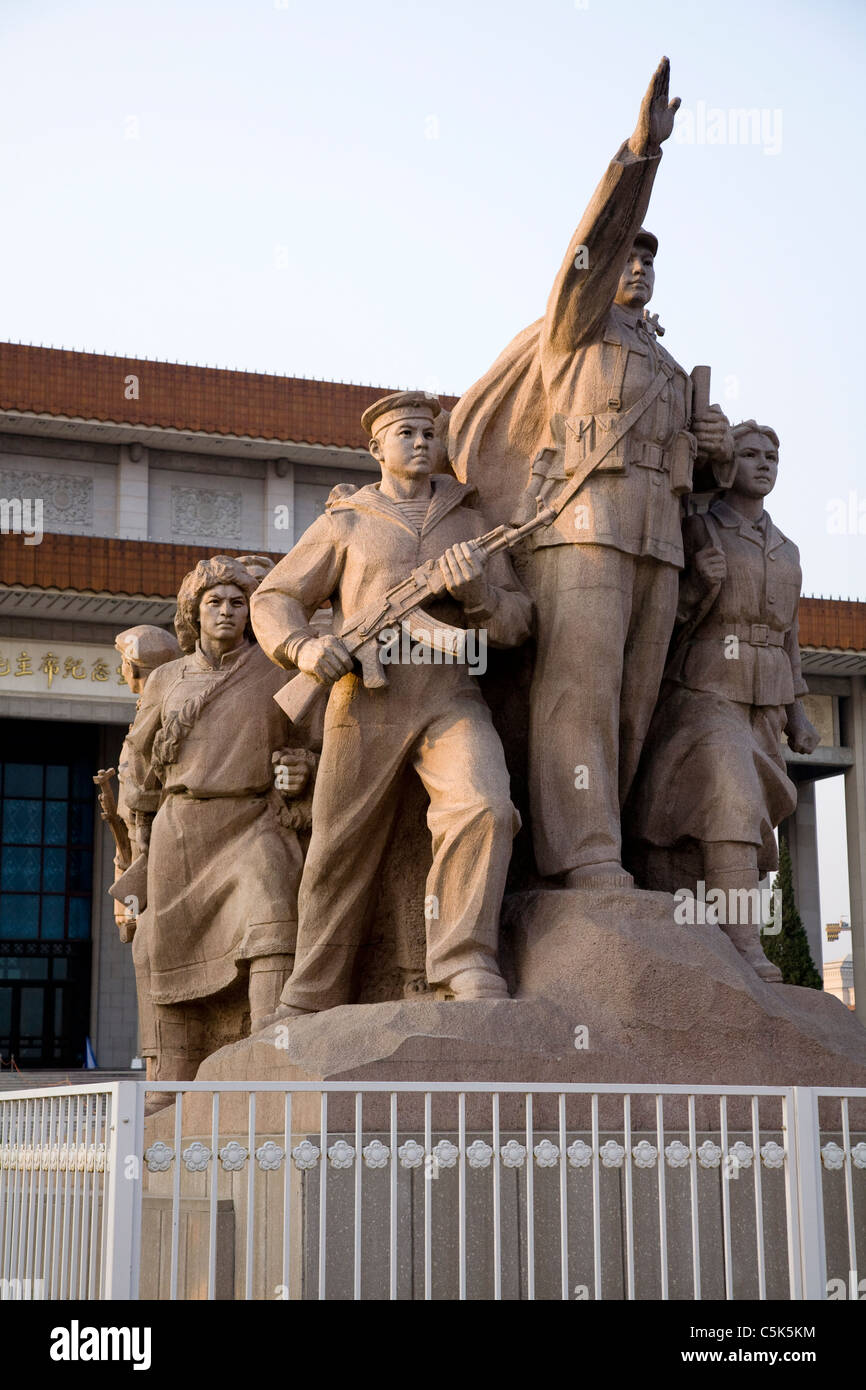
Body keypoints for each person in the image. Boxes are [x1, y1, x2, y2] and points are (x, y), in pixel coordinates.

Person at [448, 58, 733, 889]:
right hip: (582, 523)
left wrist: (708, 452)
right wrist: (643, 153)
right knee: (578, 693)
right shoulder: (573, 326)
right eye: (627, 258)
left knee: (633, 702)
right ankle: (584, 857)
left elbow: (697, 479)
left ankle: (622, 849)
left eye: (649, 261)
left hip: (657, 536)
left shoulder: (667, 362)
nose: (635, 267)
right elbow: (590, 244)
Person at [250, 391, 532, 1016]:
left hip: (450, 695)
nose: (421, 442)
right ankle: (312, 991)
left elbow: (517, 622)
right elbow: (273, 597)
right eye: (405, 432)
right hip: (364, 698)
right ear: (376, 448)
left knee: (486, 806)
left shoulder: (471, 522)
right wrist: (301, 648)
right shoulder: (345, 521)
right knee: (337, 849)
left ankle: (464, 958)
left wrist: (480, 591)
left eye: (429, 433)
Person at [625, 422, 819, 980]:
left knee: (753, 815)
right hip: (705, 689)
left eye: (773, 457)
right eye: (751, 454)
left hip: (767, 701)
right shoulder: (697, 529)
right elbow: (658, 616)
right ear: (726, 463)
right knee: (731, 800)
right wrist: (693, 588)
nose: (764, 464)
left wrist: (798, 713)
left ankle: (720, 926)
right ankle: (744, 944)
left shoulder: (788, 549)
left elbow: (790, 636)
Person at [122, 556, 314, 1079]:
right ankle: (170, 1083)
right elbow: (135, 765)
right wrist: (131, 859)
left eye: (238, 603)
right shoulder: (166, 679)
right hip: (180, 828)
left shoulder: (281, 671)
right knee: (162, 951)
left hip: (254, 820)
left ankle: (268, 1057)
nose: (227, 612)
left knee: (273, 917)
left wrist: (303, 769)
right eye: (215, 603)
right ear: (195, 611)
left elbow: (316, 745)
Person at [111, 624, 182, 1077]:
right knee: (146, 958)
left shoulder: (162, 719)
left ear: (134, 668)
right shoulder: (141, 716)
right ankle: (158, 1065)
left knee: (154, 958)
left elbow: (146, 801)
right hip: (138, 856)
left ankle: (164, 1068)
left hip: (164, 854)